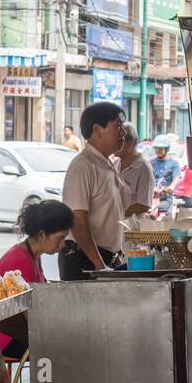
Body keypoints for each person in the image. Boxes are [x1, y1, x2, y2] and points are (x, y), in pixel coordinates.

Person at [0, 199, 73, 358]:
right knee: (63, 350)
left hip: (20, 330)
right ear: (42, 235)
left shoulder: (34, 255)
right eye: (60, 238)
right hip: (3, 338)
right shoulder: (21, 262)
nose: (62, 245)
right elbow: (32, 316)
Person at [59, 102, 128, 279]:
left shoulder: (106, 163)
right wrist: (99, 264)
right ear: (97, 129)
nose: (124, 133)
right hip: (86, 259)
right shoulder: (83, 165)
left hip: (106, 258)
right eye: (118, 126)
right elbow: (77, 219)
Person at [112, 126, 153, 216]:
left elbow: (144, 205)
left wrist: (115, 212)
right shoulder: (114, 164)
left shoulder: (144, 168)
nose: (113, 144)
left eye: (119, 140)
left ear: (131, 142)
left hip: (132, 227)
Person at [149, 136, 181, 216]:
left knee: (162, 210)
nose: (157, 150)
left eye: (160, 148)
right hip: (150, 197)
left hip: (165, 197)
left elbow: (176, 178)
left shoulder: (174, 164)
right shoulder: (150, 163)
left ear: (167, 149)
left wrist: (171, 187)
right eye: (156, 148)